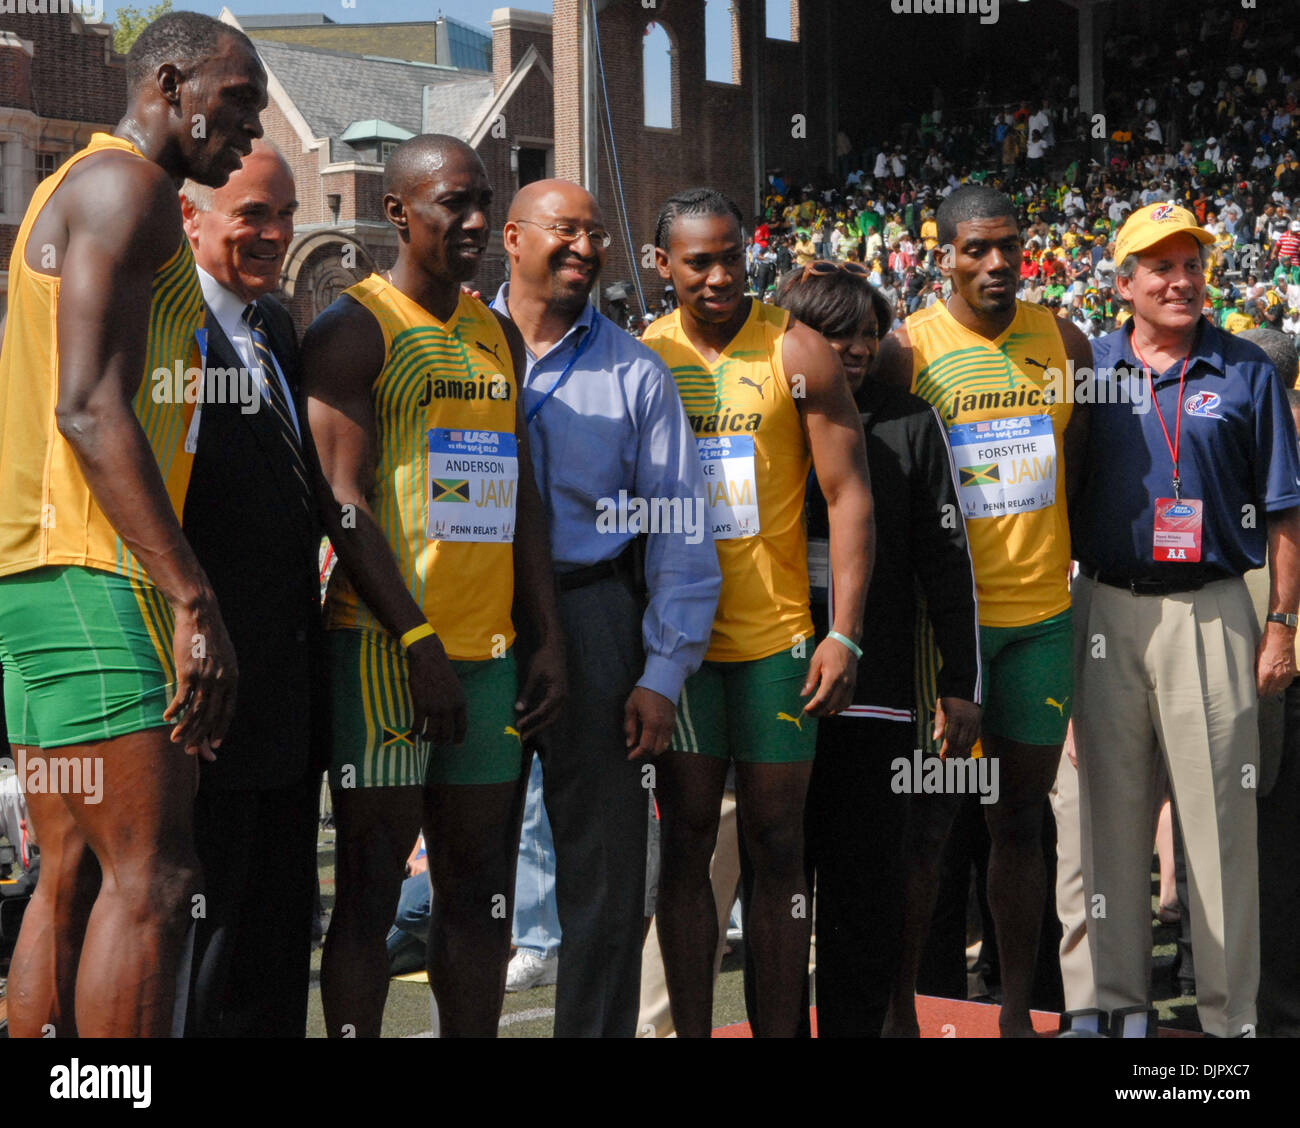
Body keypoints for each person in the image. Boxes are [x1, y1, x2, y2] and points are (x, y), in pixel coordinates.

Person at [0, 10, 254, 1038]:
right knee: (152, 876)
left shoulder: (71, 192)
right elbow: (87, 405)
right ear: (171, 81)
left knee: (69, 873)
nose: (250, 134)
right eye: (237, 104)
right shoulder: (127, 188)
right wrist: (192, 594)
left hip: (38, 581)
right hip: (99, 579)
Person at [303, 135, 566, 1038]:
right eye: (453, 202)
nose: (478, 222)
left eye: (484, 202)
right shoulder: (354, 328)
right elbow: (341, 507)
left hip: (489, 656)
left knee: (478, 886)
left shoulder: (495, 333)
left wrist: (547, 635)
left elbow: (520, 488)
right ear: (397, 213)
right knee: (373, 886)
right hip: (387, 654)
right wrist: (417, 643)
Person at [643, 188, 875, 1037]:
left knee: (781, 849)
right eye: (698, 261)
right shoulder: (642, 356)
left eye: (732, 256)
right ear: (661, 263)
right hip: (682, 651)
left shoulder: (796, 348)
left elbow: (849, 495)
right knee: (687, 848)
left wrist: (842, 631)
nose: (718, 275)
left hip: (780, 643)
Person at [492, 178, 720, 1036]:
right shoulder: (455, 348)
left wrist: (662, 673)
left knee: (607, 879)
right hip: (473, 626)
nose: (588, 247)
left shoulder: (637, 371)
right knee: (475, 866)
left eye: (596, 233)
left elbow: (680, 533)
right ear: (512, 238)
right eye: (566, 230)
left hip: (595, 621)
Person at [1070, 201, 1300, 1039]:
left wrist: (1281, 622)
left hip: (1211, 611)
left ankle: (1229, 1021)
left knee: (1219, 831)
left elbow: (1285, 512)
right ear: (1123, 283)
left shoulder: (1247, 369)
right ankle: (1121, 1009)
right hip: (1103, 607)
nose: (1180, 280)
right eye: (1160, 267)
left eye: (1191, 264)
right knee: (1109, 823)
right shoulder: (1088, 370)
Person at [875, 184, 1093, 1037]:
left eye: (1008, 246)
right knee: (928, 823)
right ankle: (900, 1010)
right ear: (945, 255)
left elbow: (1072, 467)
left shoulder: (1063, 339)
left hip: (1040, 622)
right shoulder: (908, 353)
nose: (996, 263)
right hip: (950, 633)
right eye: (976, 249)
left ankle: (1012, 1014)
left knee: (1019, 823)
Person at [774, 263, 982, 1037]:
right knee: (779, 882)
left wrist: (960, 682)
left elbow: (947, 562)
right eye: (836, 333)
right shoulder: (765, 412)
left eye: (866, 333)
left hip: (878, 689)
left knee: (864, 884)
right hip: (772, 684)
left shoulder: (911, 421)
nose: (855, 348)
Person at [178, 141, 326, 1037]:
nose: (275, 234)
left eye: (286, 213)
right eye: (254, 216)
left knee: (279, 919)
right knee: (207, 927)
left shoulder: (274, 327)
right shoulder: (161, 329)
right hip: (203, 684)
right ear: (190, 217)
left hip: (286, 677)